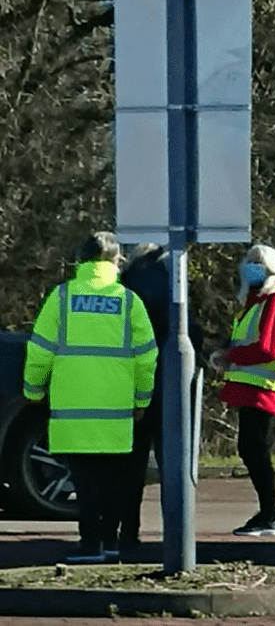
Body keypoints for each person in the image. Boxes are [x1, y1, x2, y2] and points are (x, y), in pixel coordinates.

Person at [22, 232, 158, 564]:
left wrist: (33, 390)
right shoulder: (128, 301)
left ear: (81, 259)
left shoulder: (62, 296)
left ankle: (90, 544)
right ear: (116, 261)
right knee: (113, 480)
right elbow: (146, 356)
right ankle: (110, 542)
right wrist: (141, 401)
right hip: (115, 411)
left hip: (73, 410)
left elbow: (40, 351)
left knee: (84, 483)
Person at [117, 243, 204, 550]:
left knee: (131, 466)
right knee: (173, 463)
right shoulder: (172, 284)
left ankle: (128, 531)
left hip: (132, 384)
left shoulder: (127, 284)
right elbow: (192, 333)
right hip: (171, 384)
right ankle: (176, 533)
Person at [210, 244, 275, 536]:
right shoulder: (256, 300)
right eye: (249, 261)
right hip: (254, 385)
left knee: (255, 449)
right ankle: (268, 513)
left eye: (258, 262)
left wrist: (229, 357)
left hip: (265, 386)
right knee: (252, 449)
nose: (252, 267)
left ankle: (269, 514)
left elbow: (267, 348)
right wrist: (226, 352)